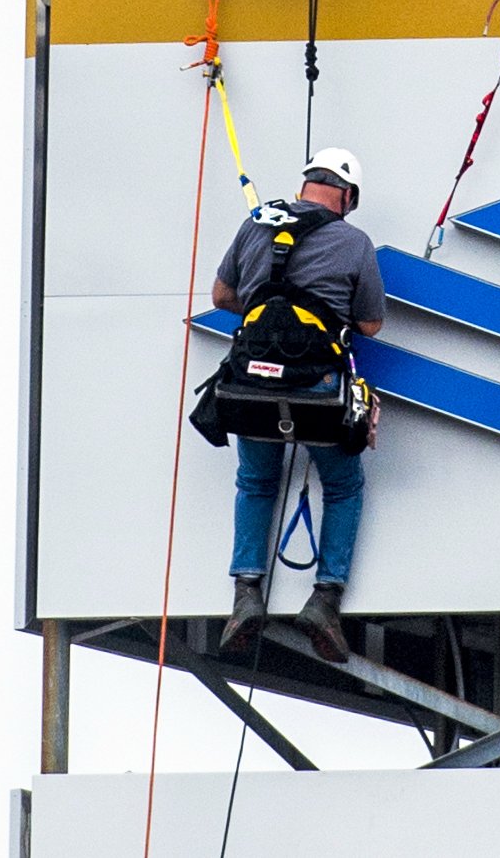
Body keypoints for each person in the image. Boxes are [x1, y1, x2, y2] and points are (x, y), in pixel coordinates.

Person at [211, 146, 384, 664]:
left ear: (307, 183)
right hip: (315, 386)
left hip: (251, 384)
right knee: (343, 485)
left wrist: (272, 306)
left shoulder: (255, 224)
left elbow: (222, 295)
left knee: (257, 482)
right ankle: (325, 599)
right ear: (347, 196)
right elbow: (371, 324)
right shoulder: (355, 243)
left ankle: (246, 596)